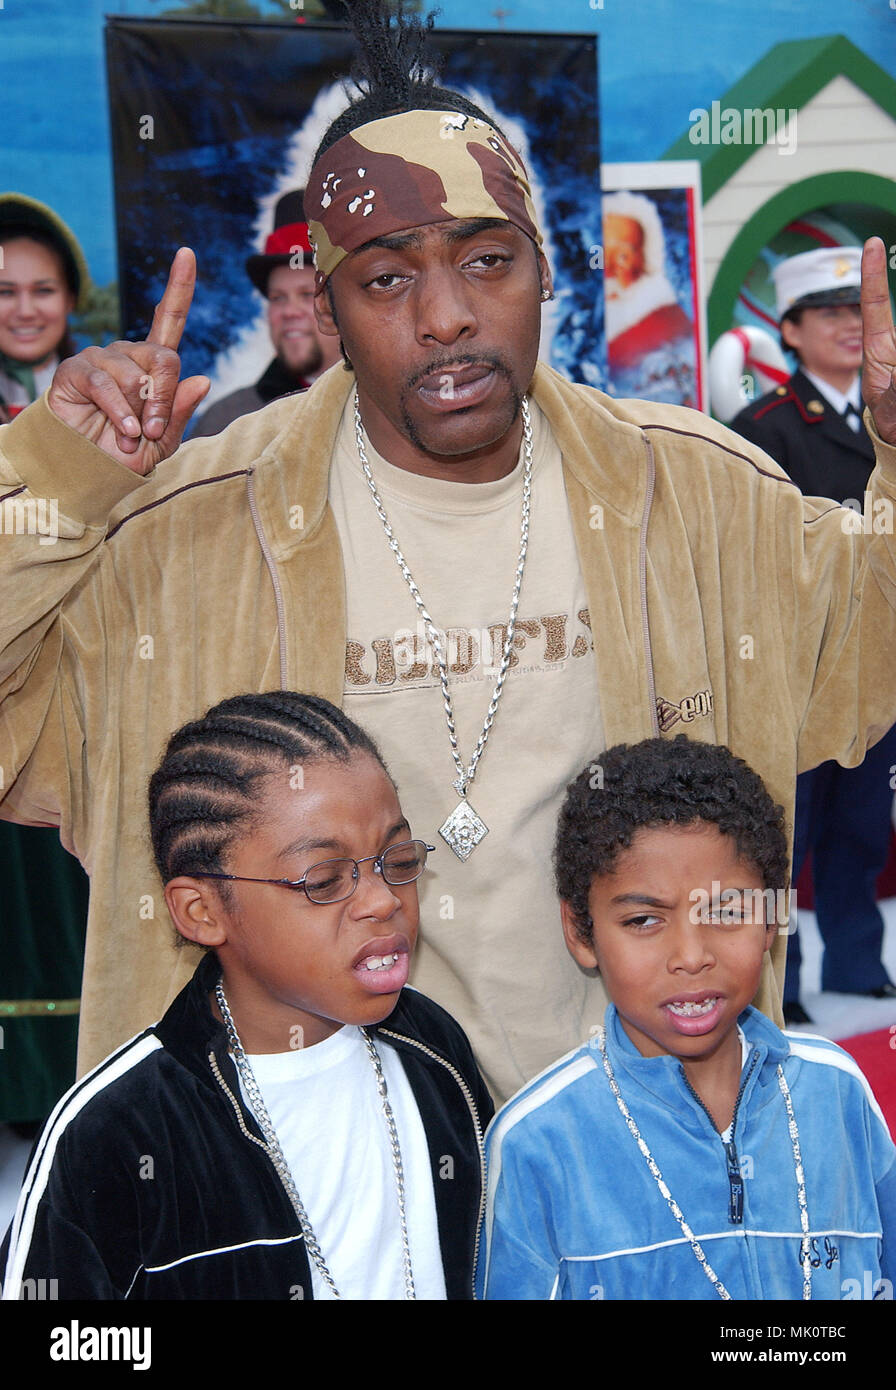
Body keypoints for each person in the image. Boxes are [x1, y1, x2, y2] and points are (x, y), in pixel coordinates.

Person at [2, 0, 896, 1106]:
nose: (444, 315)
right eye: (384, 278)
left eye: (486, 261)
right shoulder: (183, 535)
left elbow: (867, 652)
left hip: (632, 1179)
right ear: (322, 313)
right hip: (311, 1206)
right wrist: (50, 488)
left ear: (546, 271)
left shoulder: (697, 492)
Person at [1, 691, 492, 1300]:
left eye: (396, 859)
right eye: (326, 880)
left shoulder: (433, 1050)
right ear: (202, 911)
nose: (384, 900)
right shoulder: (114, 1132)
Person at [477, 737, 896, 1300]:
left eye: (727, 911)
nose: (692, 954)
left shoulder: (837, 1091)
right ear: (581, 932)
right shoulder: (538, 1140)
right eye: (645, 920)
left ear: (772, 916)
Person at [731, 247, 896, 1021]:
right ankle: (782, 984)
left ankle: (860, 960)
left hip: (876, 661)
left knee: (864, 823)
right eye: (826, 313)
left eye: (852, 311)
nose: (845, 327)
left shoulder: (888, 416)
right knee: (783, 831)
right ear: (788, 330)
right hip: (793, 668)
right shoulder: (760, 429)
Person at [0, 193, 91, 1127]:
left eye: (41, 289)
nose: (24, 308)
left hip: (79, 708)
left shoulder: (110, 408)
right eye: (3, 291)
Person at [190, 190, 342, 437]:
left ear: (345, 303)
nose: (289, 312)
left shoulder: (389, 411)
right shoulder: (225, 425)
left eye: (306, 294)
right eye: (278, 298)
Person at [603, 191, 693, 374]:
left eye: (622, 256)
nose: (609, 270)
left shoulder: (664, 323)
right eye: (601, 256)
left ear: (643, 259)